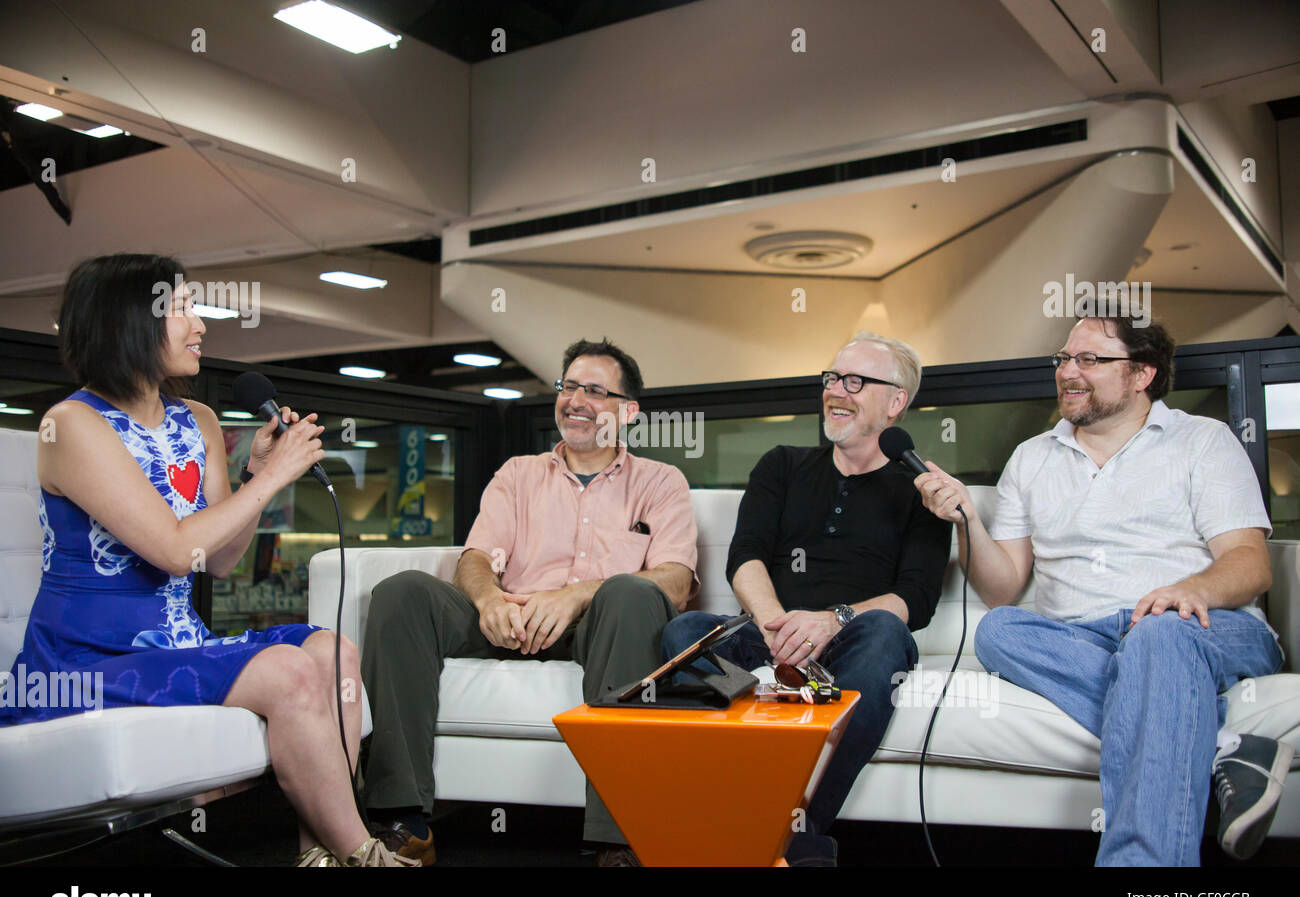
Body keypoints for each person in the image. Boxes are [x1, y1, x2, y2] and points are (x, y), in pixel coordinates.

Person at [0, 254, 412, 867]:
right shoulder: (73, 425)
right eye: (183, 310)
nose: (200, 325)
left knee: (333, 654)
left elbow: (217, 560)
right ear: (129, 323)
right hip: (90, 659)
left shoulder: (200, 420)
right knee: (290, 672)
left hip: (177, 642)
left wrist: (252, 473)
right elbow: (170, 549)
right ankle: (362, 853)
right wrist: (269, 480)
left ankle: (318, 856)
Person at [915, 316, 1292, 866]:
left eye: (1090, 360)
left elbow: (1250, 564)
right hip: (1083, 638)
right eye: (1064, 359)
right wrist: (967, 518)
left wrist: (1187, 592)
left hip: (1204, 628)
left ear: (1142, 373)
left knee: (1159, 636)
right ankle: (1222, 747)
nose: (1068, 371)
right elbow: (1001, 590)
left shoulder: (1202, 441)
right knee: (999, 630)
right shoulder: (1032, 456)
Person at [360, 337, 698, 866]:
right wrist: (489, 598)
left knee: (632, 592)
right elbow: (474, 558)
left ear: (627, 411)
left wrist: (577, 596)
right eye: (568, 386)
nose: (575, 399)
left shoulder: (660, 482)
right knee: (402, 592)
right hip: (508, 622)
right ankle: (403, 820)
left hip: (599, 631)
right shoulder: (518, 474)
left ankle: (618, 841)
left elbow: (676, 580)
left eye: (594, 389)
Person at [660, 331, 951, 866]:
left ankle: (794, 833)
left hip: (853, 648)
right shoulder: (783, 465)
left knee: (886, 634)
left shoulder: (924, 489)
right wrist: (775, 628)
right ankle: (754, 813)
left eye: (856, 381)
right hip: (767, 645)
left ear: (895, 403)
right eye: (833, 378)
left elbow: (917, 599)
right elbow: (744, 556)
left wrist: (830, 621)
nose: (837, 391)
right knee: (684, 634)